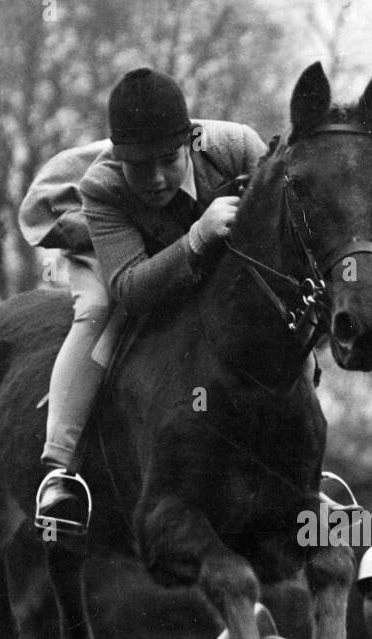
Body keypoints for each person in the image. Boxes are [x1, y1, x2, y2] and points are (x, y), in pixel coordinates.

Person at [18, 68, 269, 536]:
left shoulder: (237, 148)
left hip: (195, 249)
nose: (154, 179)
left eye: (167, 160)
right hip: (110, 258)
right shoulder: (102, 186)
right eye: (138, 165)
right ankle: (60, 470)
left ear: (192, 141)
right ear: (118, 157)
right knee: (97, 311)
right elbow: (130, 286)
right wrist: (196, 239)